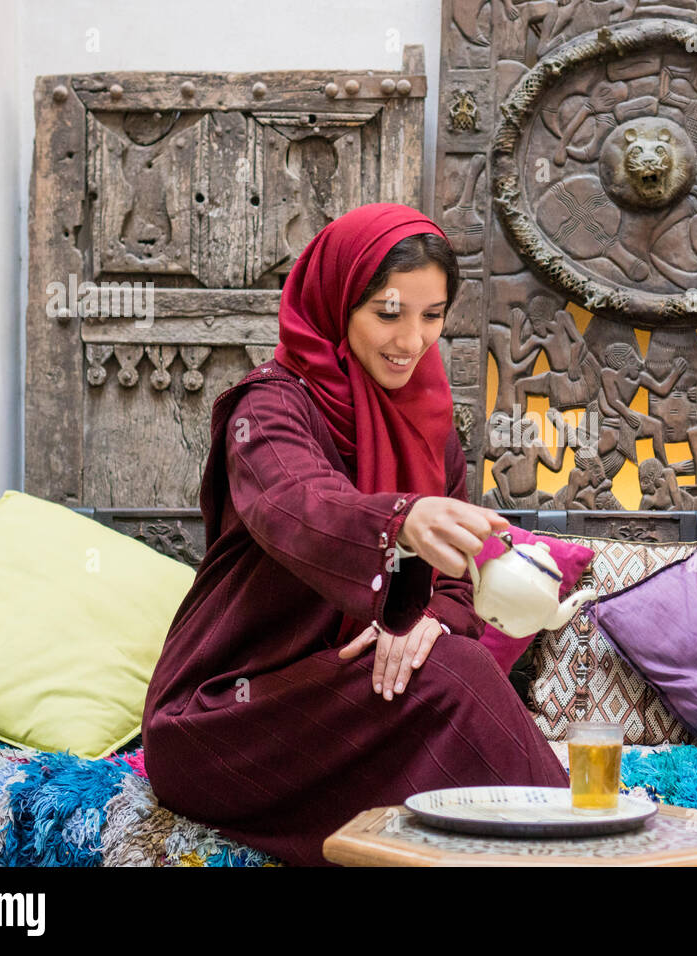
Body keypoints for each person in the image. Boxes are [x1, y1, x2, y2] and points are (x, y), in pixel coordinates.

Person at [141, 203, 570, 867]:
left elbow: (456, 577)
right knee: (458, 676)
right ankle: (586, 846)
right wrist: (399, 522)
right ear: (337, 301)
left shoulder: (428, 422)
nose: (412, 340)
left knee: (450, 666)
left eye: (433, 316)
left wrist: (434, 620)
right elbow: (296, 504)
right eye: (389, 312)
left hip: (348, 697)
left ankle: (558, 845)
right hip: (224, 720)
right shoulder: (270, 408)